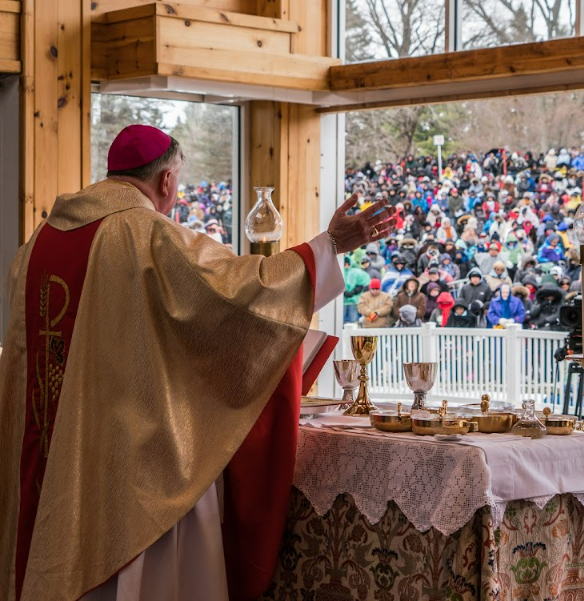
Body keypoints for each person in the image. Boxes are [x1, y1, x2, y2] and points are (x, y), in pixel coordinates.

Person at [0, 125, 396, 601]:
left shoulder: (38, 243)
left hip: (50, 463)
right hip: (133, 471)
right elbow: (240, 295)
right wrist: (327, 246)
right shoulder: (145, 235)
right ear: (167, 180)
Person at [342, 256, 371, 323]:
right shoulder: (340, 271)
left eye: (348, 264)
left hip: (353, 301)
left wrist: (354, 291)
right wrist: (343, 292)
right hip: (342, 302)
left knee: (353, 321)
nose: (346, 266)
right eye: (345, 264)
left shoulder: (356, 272)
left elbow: (364, 281)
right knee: (340, 322)